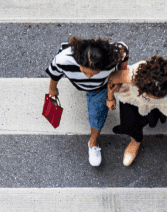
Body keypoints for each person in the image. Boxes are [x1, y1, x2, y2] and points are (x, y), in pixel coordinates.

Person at [46, 37, 129, 167]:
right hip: (79, 85)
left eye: (95, 73)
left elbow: (124, 53)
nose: (89, 76)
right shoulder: (62, 59)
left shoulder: (114, 54)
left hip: (100, 88)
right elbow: (54, 73)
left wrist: (118, 81)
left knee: (97, 115)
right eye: (85, 72)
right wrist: (52, 88)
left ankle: (93, 142)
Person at [109, 55, 167, 166]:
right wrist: (110, 98)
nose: (155, 99)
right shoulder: (133, 76)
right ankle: (135, 141)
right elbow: (112, 78)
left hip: (165, 103)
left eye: (160, 96)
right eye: (152, 95)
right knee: (129, 122)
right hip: (138, 101)